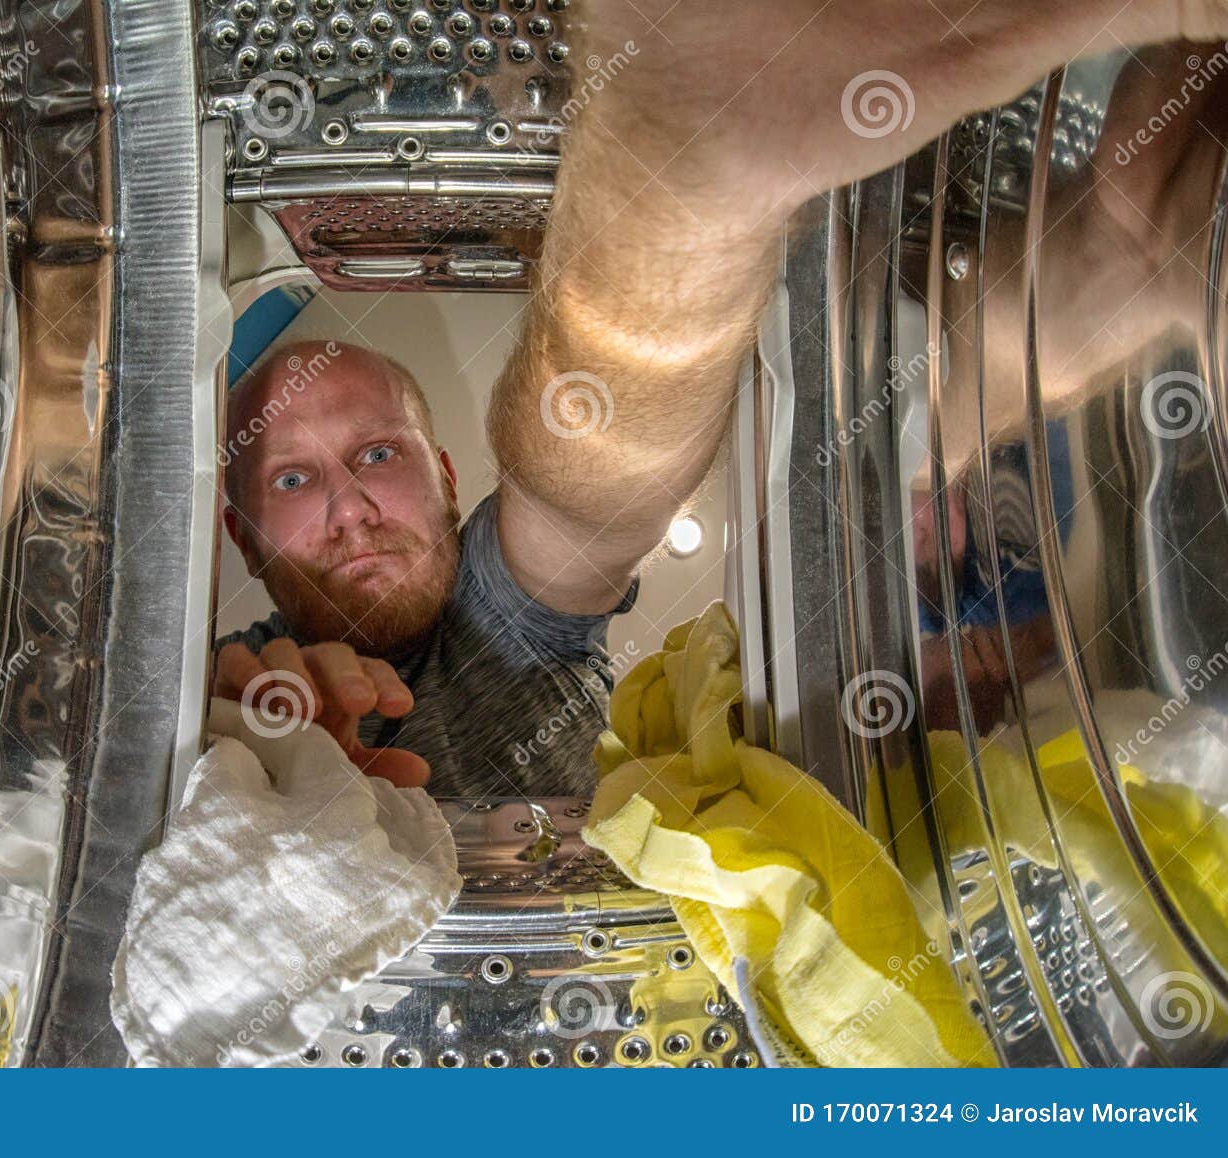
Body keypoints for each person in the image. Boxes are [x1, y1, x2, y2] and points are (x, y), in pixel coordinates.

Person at [213, 0, 1228, 797]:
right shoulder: (209, 697)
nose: (349, 507)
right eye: (293, 476)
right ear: (242, 533)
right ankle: (1130, 250)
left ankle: (700, 146)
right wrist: (217, 755)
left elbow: (573, 515)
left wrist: (675, 194)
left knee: (606, 471)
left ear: (442, 482)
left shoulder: (494, 625)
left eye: (377, 455)